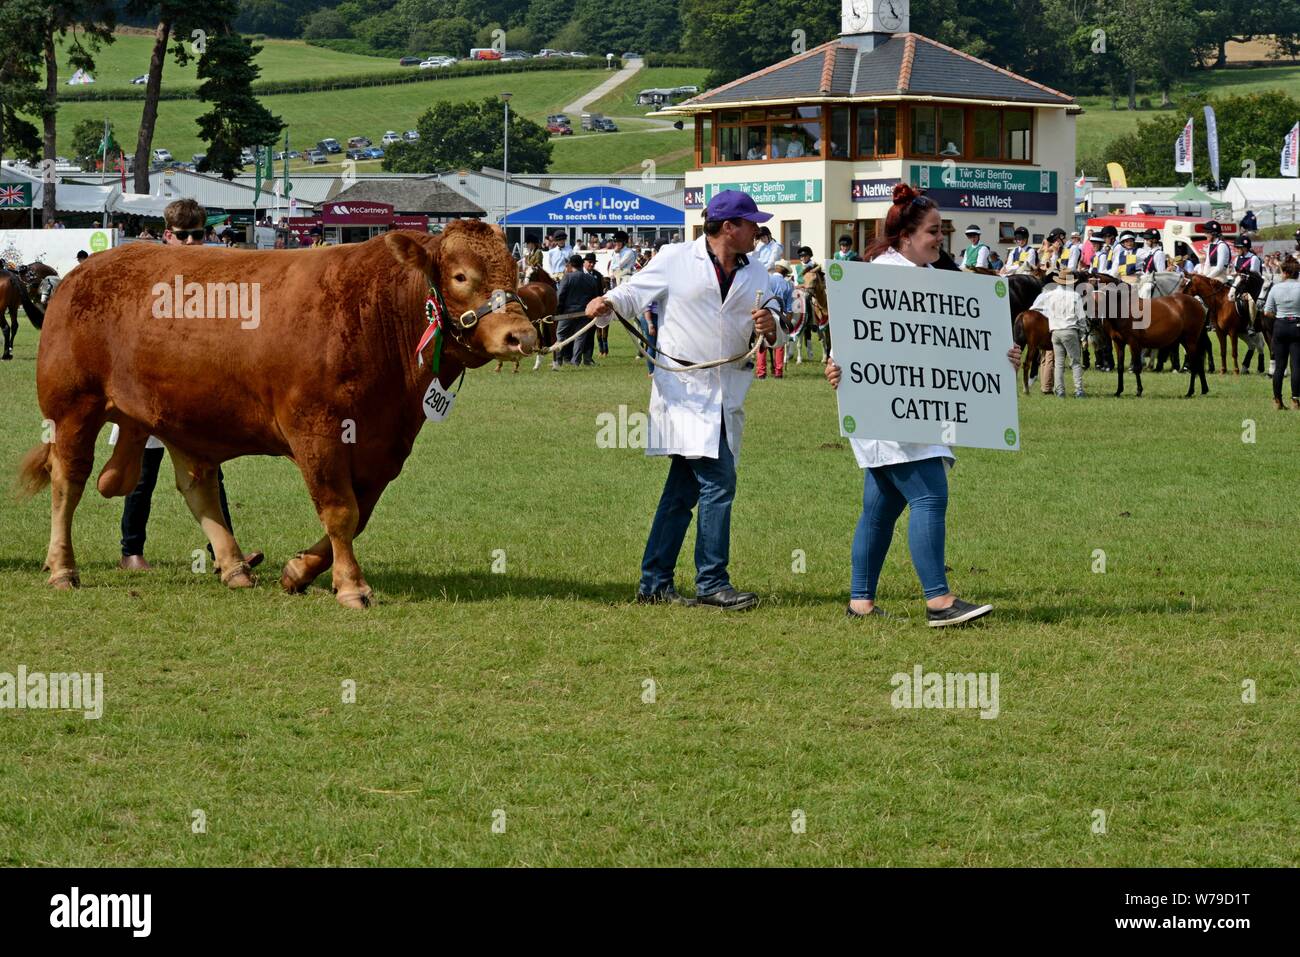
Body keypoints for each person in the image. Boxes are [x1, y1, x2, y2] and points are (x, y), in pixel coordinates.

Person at [825, 184, 1021, 625]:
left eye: (941, 231)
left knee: (880, 508)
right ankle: (939, 602)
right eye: (934, 231)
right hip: (891, 411)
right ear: (906, 236)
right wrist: (836, 366)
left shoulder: (938, 281)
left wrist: (1001, 356)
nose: (941, 239)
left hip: (921, 408)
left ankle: (861, 602)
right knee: (930, 494)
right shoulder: (873, 277)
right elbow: (853, 340)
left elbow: (956, 346)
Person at [584, 190, 783, 610]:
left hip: (728, 391)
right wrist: (605, 302)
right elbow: (633, 293)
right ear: (728, 227)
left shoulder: (758, 273)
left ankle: (654, 583)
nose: (758, 231)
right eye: (751, 224)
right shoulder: (675, 257)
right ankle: (712, 583)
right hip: (684, 393)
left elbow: (776, 326)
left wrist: (772, 324)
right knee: (719, 483)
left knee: (680, 494)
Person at [116, 198, 262, 575]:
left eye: (199, 235)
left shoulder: (214, 272)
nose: (193, 242)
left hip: (194, 393)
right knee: (142, 476)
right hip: (148, 390)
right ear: (168, 236)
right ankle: (131, 552)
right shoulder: (148, 273)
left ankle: (223, 552)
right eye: (184, 236)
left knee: (210, 472)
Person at [1032, 268, 1088, 398]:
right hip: (1070, 330)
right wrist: (1083, 334)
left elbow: (1034, 308)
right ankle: (1078, 390)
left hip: (1055, 332)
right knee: (1075, 362)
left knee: (1058, 363)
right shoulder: (1075, 295)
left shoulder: (1049, 295)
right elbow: (1081, 318)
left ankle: (1060, 391)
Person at [1263, 256, 1300, 410]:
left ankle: (1277, 400)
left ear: (1285, 272)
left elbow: (1267, 312)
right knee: (1296, 366)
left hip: (1280, 326)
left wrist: (1279, 315)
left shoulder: (1276, 288)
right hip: (1297, 325)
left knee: (1279, 366)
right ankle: (1296, 400)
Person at [555, 254, 601, 367]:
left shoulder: (567, 277)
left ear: (570, 265)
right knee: (580, 338)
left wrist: (559, 310)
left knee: (561, 336)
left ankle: (558, 361)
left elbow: (560, 295)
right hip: (584, 313)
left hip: (567, 313)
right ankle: (575, 362)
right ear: (582, 264)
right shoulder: (590, 279)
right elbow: (595, 297)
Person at [756, 263, 794, 379]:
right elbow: (789, 306)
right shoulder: (789, 284)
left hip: (766, 312)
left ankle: (761, 372)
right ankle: (778, 372)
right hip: (781, 314)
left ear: (777, 268)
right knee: (779, 345)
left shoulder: (767, 279)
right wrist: (788, 319)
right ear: (785, 272)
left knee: (762, 342)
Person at [583, 253, 607, 362]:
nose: (591, 264)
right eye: (589, 262)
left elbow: (601, 292)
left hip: (594, 308)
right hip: (581, 308)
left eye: (593, 262)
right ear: (584, 262)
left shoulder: (598, 275)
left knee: (592, 333)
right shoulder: (579, 274)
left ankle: (588, 357)